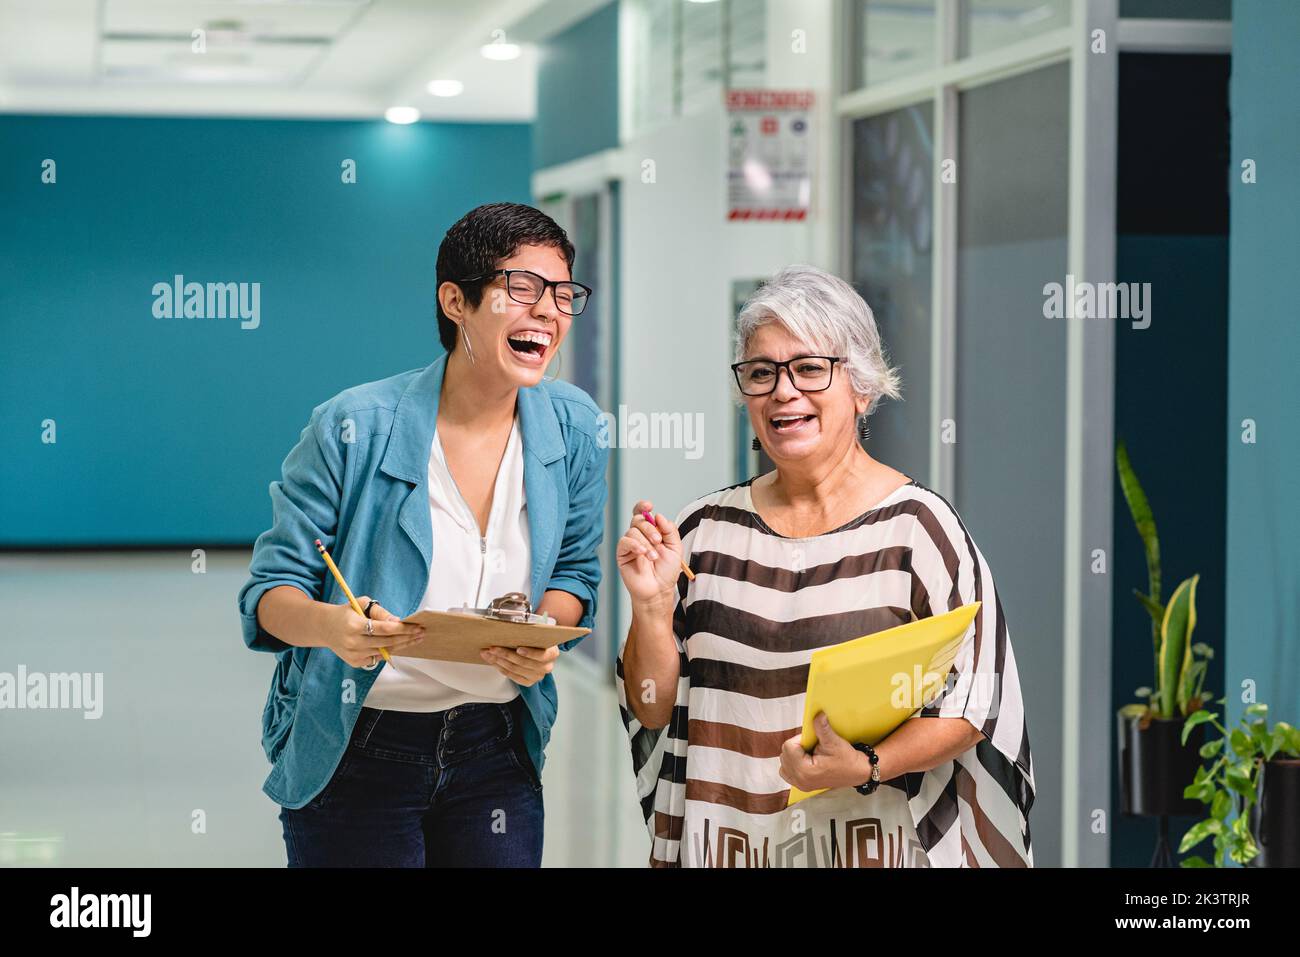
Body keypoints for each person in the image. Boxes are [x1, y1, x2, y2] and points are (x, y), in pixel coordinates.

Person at [615, 264, 1035, 868]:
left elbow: (975, 704)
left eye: (810, 368)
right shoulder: (702, 532)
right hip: (729, 846)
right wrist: (652, 609)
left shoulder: (919, 530)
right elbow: (652, 707)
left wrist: (868, 764)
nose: (784, 391)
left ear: (861, 387)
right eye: (762, 373)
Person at [237, 202, 607, 867]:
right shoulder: (353, 425)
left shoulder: (574, 425)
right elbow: (270, 593)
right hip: (360, 743)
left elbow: (575, 574)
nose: (549, 311)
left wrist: (541, 636)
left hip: (495, 747)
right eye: (522, 287)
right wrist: (334, 626)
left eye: (562, 293)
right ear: (455, 300)